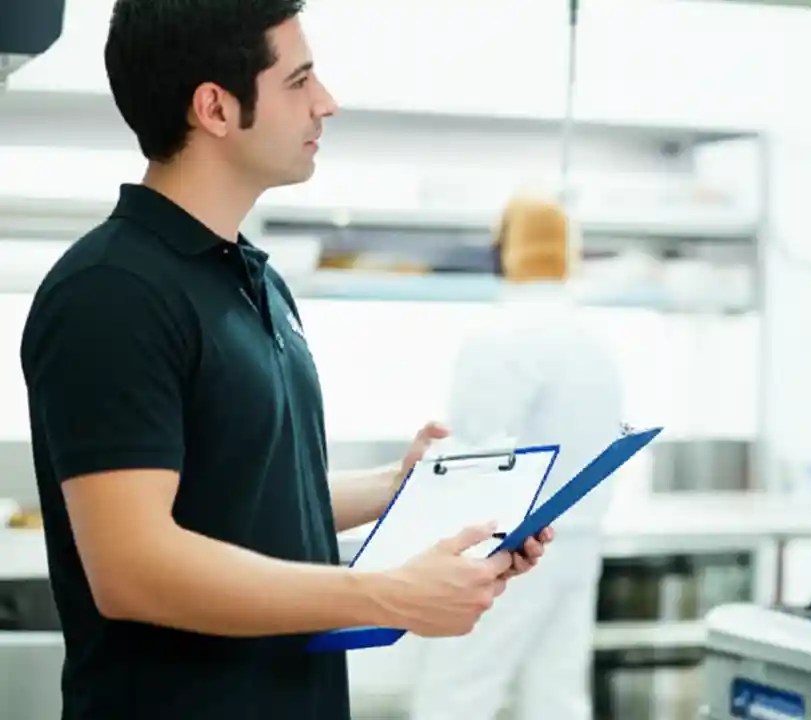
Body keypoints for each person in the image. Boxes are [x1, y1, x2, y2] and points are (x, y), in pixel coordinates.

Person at [18, 3, 551, 720]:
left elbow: (242, 499)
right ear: (214, 107)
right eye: (299, 81)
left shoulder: (253, 282)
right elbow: (134, 569)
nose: (326, 103)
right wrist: (386, 592)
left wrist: (400, 490)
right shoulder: (111, 292)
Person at [410, 193, 624, 720]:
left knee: (457, 694)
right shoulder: (592, 339)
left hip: (513, 549)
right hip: (577, 545)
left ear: (507, 249)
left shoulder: (500, 335)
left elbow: (474, 453)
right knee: (558, 698)